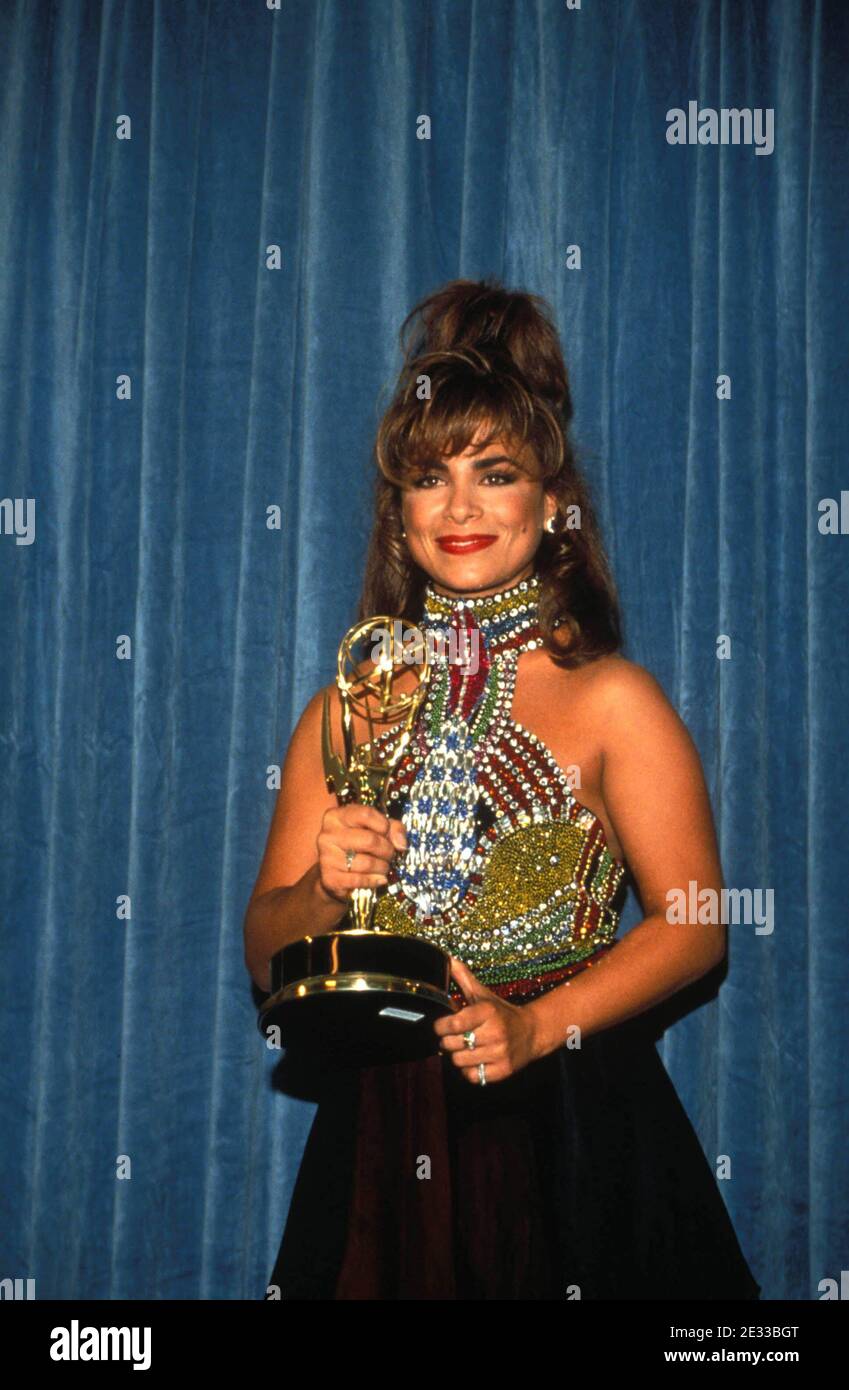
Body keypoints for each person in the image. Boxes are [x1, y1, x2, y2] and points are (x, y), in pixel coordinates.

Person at [244, 278, 761, 1300]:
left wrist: (537, 1024)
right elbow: (268, 955)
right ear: (399, 513)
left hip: (574, 1118)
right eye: (432, 477)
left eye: (496, 471)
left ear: (551, 503)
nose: (464, 505)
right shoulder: (345, 706)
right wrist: (323, 895)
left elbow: (697, 923)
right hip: (379, 1141)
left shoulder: (615, 699)